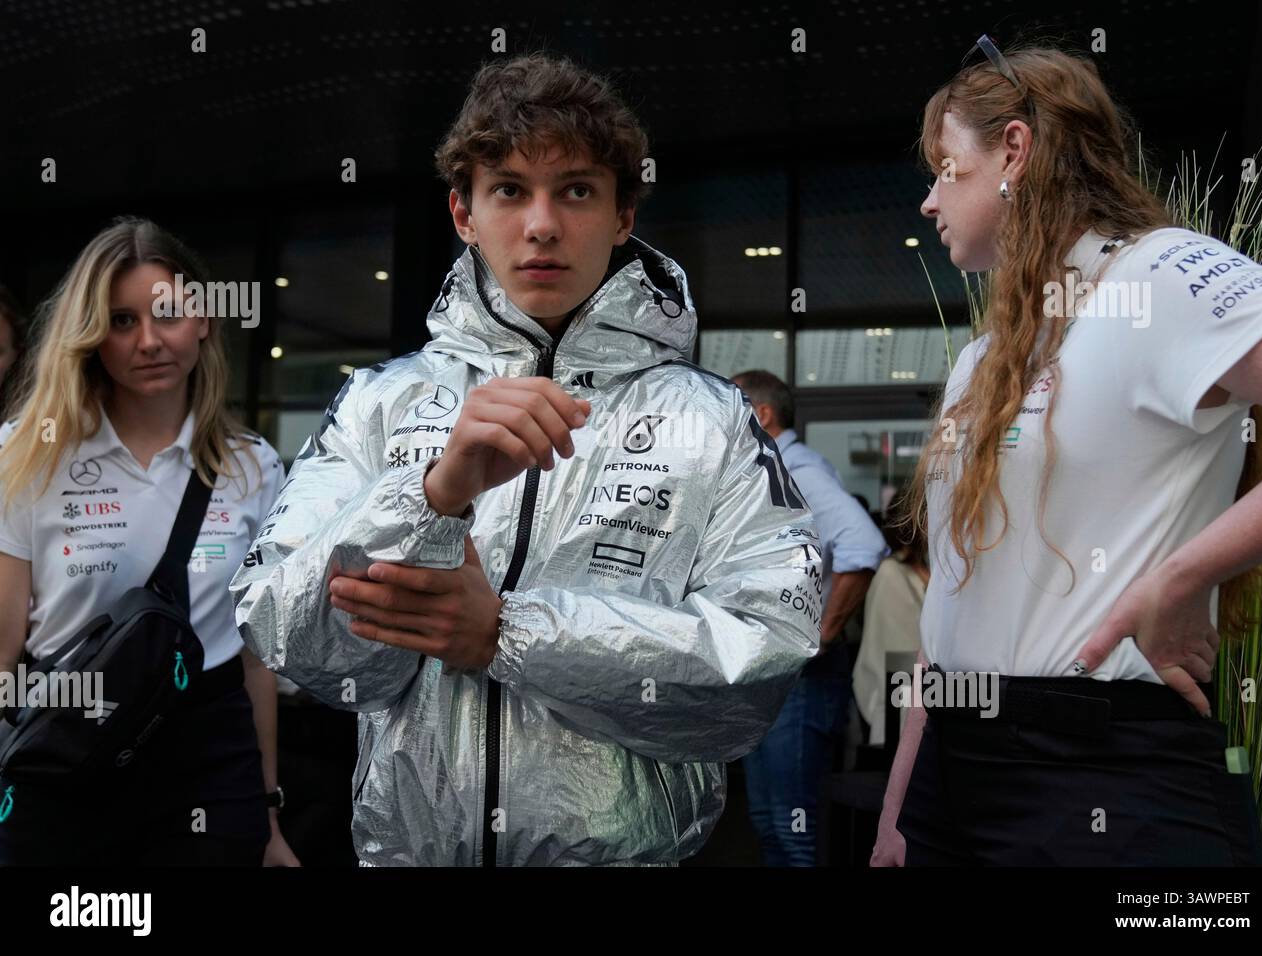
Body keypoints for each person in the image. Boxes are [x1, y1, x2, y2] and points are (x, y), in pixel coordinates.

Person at [230, 54, 820, 867]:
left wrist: (509, 635)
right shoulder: (379, 402)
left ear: (622, 215)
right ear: (463, 212)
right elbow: (293, 641)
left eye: (575, 190)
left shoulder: (710, 418)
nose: (542, 224)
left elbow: (764, 663)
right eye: (509, 189)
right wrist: (434, 496)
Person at [872, 38, 1262, 866]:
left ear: (1014, 151)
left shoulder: (1163, 277)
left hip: (1108, 778)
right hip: (953, 779)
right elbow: (954, 604)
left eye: (945, 168)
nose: (930, 201)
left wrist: (1185, 576)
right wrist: (899, 807)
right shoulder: (984, 357)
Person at [0, 218, 297, 866]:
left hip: (211, 766)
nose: (150, 341)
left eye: (168, 314)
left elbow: (256, 658)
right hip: (71, 757)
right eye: (122, 321)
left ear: (205, 320)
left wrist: (267, 813)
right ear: (91, 336)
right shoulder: (26, 455)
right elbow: (2, 649)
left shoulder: (254, 467)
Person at [731, 369, 889, 866]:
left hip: (802, 680)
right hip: (772, 677)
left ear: (762, 415)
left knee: (792, 827)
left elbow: (864, 544)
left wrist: (819, 637)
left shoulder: (797, 467)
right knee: (769, 824)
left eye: (729, 407)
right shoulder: (768, 467)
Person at [852, 493, 927, 748]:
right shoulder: (892, 575)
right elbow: (902, 666)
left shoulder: (932, 572)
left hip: (925, 715)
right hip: (902, 725)